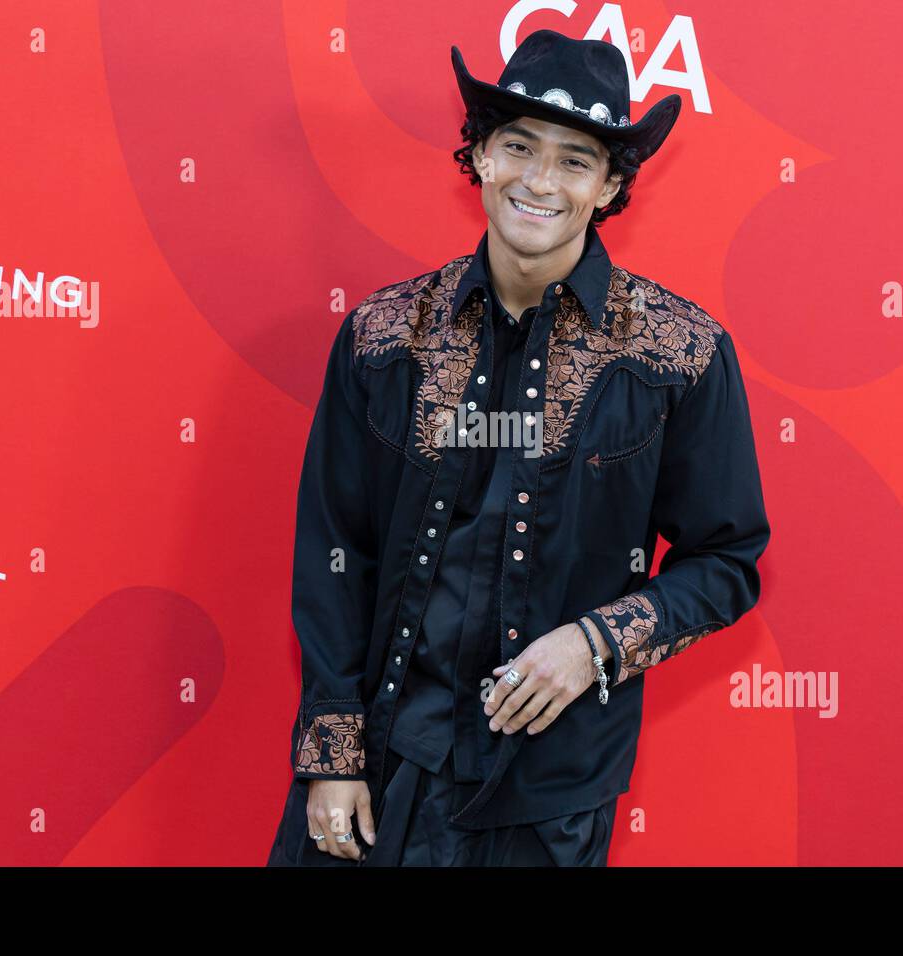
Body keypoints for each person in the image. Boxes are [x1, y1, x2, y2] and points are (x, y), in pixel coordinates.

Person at [267, 28, 770, 867]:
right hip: (378, 772)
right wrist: (332, 756)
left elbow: (727, 561)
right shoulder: (383, 336)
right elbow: (333, 551)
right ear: (481, 159)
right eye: (519, 148)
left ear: (610, 186)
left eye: (576, 160)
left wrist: (597, 643)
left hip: (549, 798)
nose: (540, 181)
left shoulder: (679, 354)